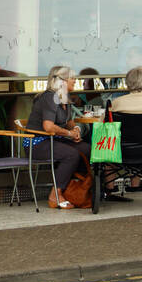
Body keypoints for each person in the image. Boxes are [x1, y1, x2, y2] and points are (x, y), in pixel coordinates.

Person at [29, 64, 92, 209]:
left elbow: (68, 122)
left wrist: (75, 129)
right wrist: (69, 134)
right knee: (72, 155)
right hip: (37, 143)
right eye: (72, 78)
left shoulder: (64, 98)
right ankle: (55, 195)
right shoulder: (50, 97)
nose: (75, 80)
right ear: (62, 81)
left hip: (54, 139)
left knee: (86, 149)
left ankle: (77, 189)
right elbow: (48, 126)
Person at [106, 65, 142, 193]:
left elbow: (106, 126)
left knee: (107, 151)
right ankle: (135, 185)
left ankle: (110, 188)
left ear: (127, 83)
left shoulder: (116, 103)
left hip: (121, 150)